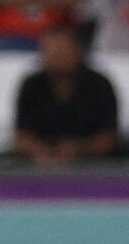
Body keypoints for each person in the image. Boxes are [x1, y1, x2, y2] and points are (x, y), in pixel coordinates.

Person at [11, 22, 123, 161]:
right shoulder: (32, 85)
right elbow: (21, 138)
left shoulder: (100, 85)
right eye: (51, 50)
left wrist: (79, 149)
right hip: (40, 165)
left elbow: (110, 139)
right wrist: (39, 150)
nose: (57, 55)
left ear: (78, 50)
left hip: (94, 166)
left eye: (63, 49)